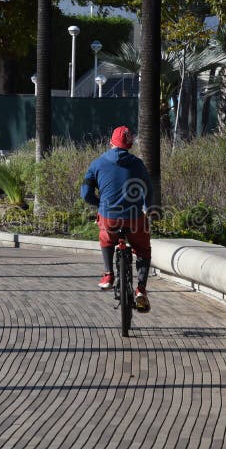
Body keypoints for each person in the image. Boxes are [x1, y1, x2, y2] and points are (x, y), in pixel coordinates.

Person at [81, 125, 153, 312]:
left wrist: (99, 203)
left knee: (106, 239)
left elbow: (86, 193)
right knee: (143, 250)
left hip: (109, 217)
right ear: (129, 145)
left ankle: (108, 275)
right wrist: (149, 209)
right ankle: (141, 291)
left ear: (111, 142)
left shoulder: (97, 163)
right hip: (134, 217)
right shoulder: (137, 164)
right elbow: (148, 190)